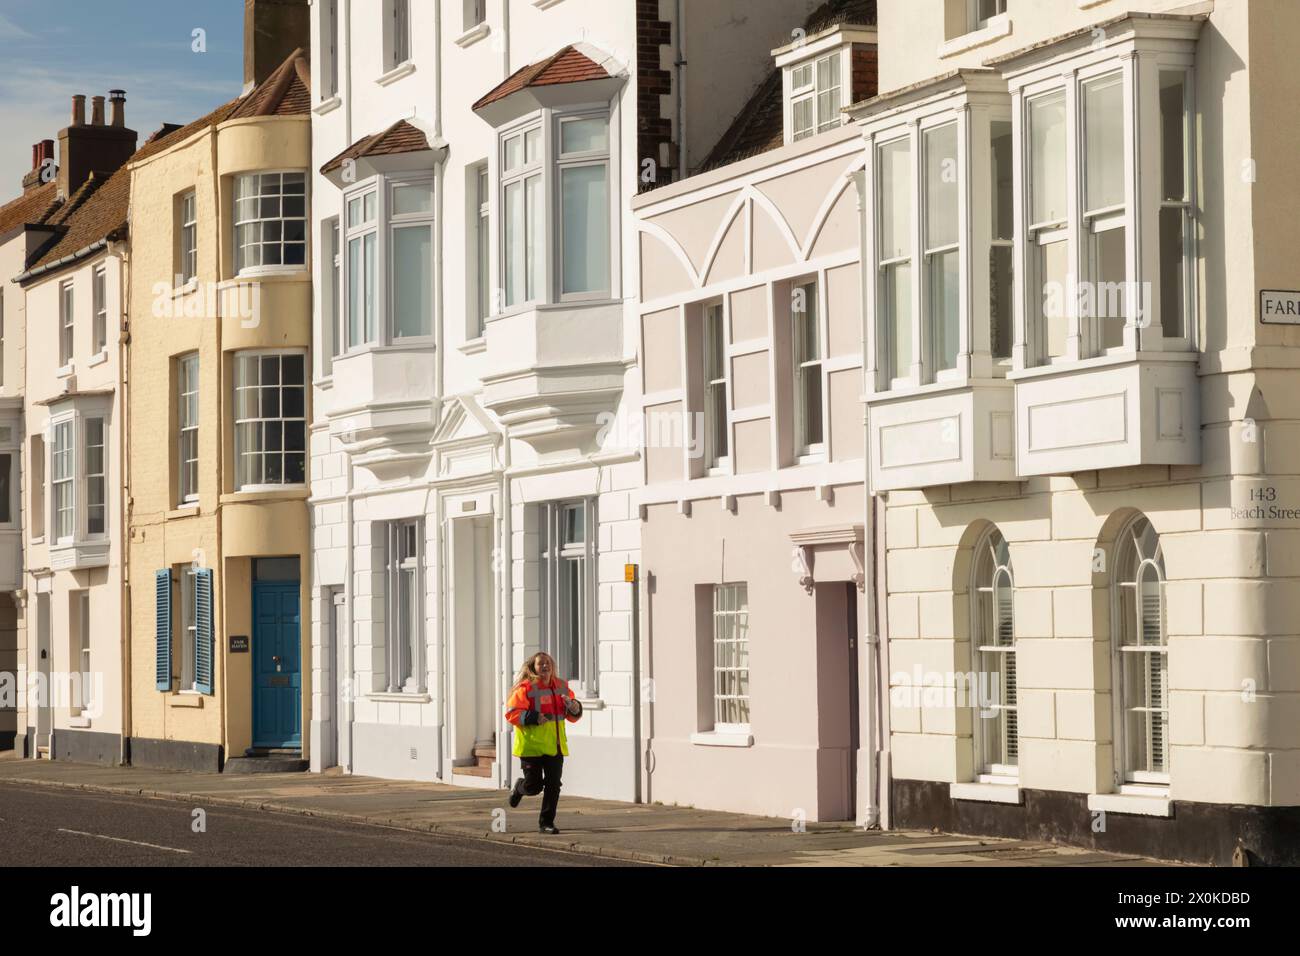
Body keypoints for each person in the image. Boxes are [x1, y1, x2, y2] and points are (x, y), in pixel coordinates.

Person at [504, 652, 583, 833]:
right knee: (534, 787)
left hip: (555, 746)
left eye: (548, 663)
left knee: (554, 785)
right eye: (541, 664)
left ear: (552, 666)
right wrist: (533, 716)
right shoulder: (525, 688)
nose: (545, 666)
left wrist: (575, 707)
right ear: (533, 667)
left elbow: (572, 714)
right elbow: (511, 713)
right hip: (531, 747)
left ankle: (546, 823)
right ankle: (519, 788)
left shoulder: (562, 687)